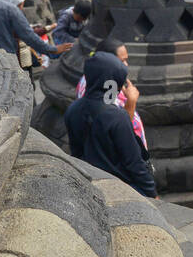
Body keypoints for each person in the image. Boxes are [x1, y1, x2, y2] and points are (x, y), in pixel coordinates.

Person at [65, 51, 156, 198]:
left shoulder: (73, 110)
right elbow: (134, 163)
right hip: (122, 187)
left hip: (91, 182)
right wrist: (152, 193)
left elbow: (77, 153)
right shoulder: (117, 117)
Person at [77, 38, 146, 153]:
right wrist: (131, 101)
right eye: (122, 61)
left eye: (126, 60)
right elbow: (116, 126)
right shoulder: (103, 86)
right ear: (108, 62)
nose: (126, 65)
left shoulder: (102, 80)